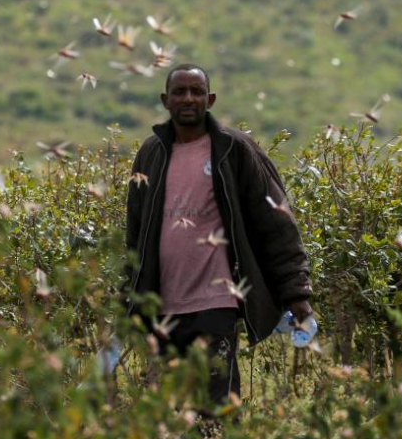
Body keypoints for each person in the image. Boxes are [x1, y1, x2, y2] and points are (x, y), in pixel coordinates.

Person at [123, 64, 313, 412]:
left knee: (216, 403)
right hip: (163, 303)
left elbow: (276, 222)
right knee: (169, 406)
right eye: (180, 92)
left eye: (196, 92)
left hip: (217, 301)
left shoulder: (233, 149)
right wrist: (130, 296)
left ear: (210, 100)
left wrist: (296, 292)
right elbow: (135, 230)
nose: (188, 99)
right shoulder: (151, 154)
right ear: (165, 100)